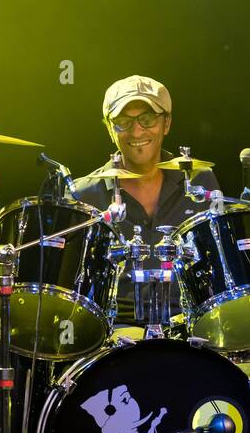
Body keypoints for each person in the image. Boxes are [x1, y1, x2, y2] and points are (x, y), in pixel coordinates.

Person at [72, 75, 219, 330]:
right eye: (123, 122)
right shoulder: (83, 193)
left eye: (147, 119)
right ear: (109, 128)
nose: (137, 131)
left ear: (166, 123)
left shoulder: (200, 180)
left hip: (191, 332)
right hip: (111, 337)